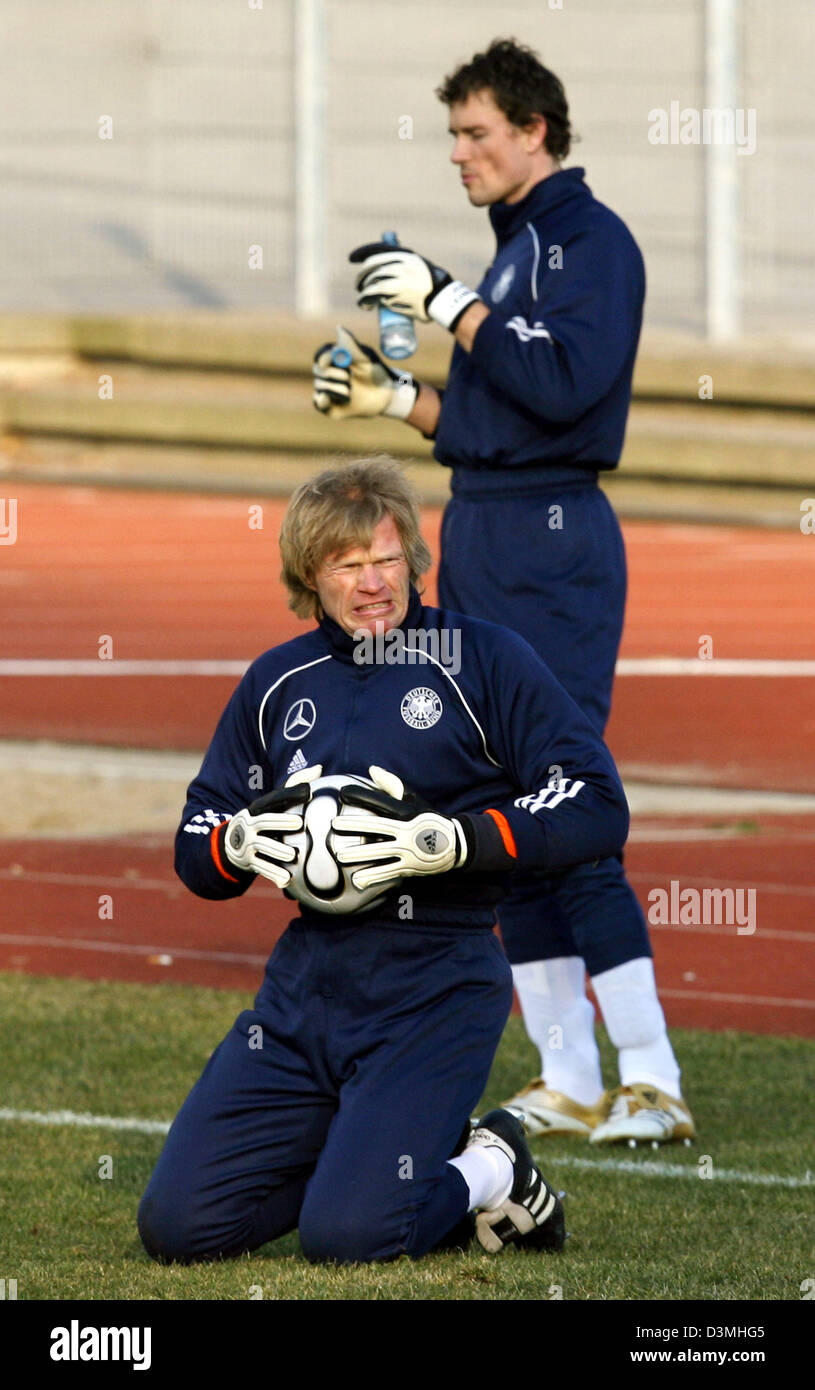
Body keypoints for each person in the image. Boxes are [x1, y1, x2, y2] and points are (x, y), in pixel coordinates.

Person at [312, 38, 694, 1146]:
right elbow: (501, 421)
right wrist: (398, 405)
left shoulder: (586, 242)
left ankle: (652, 1075)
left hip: (551, 539)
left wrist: (446, 298)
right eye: (452, 136)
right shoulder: (523, 248)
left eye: (476, 134)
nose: (459, 155)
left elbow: (568, 392)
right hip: (486, 524)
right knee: (496, 805)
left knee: (567, 801)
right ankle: (569, 1072)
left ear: (535, 131)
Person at [138, 456, 631, 1265]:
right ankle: (363, 1157)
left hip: (435, 984)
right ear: (309, 576)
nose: (373, 583)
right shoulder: (275, 681)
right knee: (179, 1230)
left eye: (387, 558)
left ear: (415, 561)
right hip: (302, 993)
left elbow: (592, 801)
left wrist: (450, 841)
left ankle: (491, 1168)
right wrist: (233, 844)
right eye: (347, 564)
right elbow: (198, 837)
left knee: (348, 1237)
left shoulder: (484, 659)